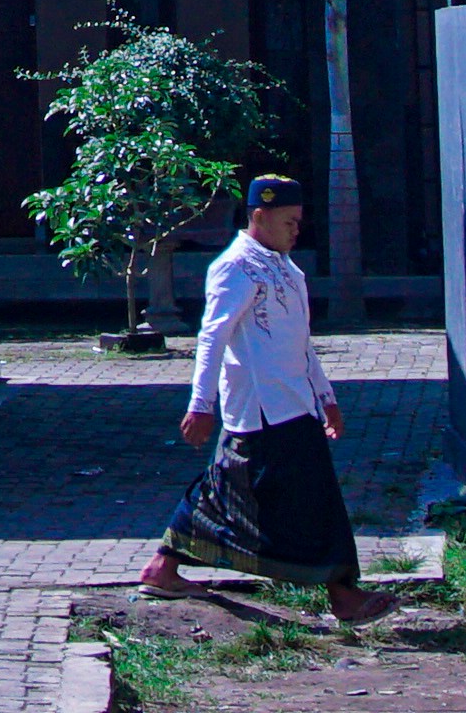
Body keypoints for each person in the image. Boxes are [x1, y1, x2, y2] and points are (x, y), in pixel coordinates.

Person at [141, 174, 372, 623]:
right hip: (261, 409)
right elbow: (212, 338)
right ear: (259, 216)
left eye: (299, 221)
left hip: (295, 404)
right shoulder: (235, 267)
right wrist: (200, 404)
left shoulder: (288, 268)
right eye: (288, 220)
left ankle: (162, 567)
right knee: (312, 495)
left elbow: (302, 343)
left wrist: (327, 398)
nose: (295, 229)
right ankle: (343, 594)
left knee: (227, 489)